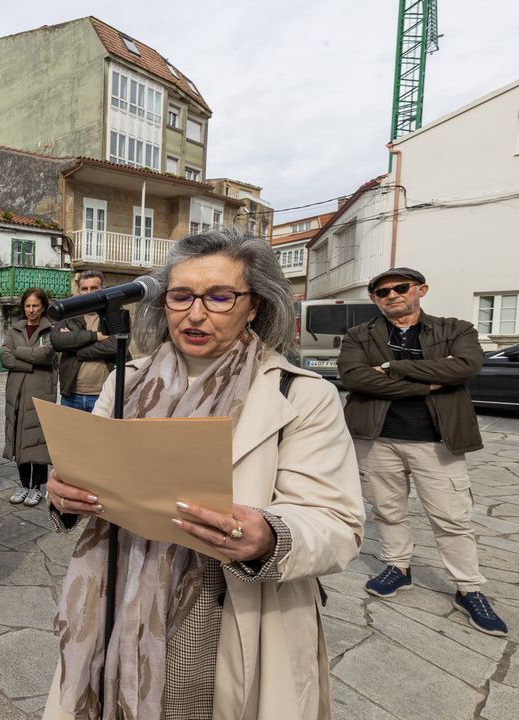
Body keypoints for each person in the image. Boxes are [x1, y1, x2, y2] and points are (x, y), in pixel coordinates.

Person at [43, 227, 364, 720]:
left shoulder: (299, 395)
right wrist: (65, 493)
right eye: (181, 296)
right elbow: (90, 474)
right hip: (118, 589)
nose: (195, 314)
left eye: (219, 297)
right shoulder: (126, 380)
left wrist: (268, 535)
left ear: (254, 304)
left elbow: (337, 523)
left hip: (224, 605)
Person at [339, 267, 508, 636]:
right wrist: (427, 383)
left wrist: (391, 368)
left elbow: (465, 366)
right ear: (374, 299)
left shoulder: (455, 329)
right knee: (387, 510)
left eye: (401, 288)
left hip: (437, 440)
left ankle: (469, 588)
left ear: (421, 290)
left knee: (451, 517)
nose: (392, 295)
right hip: (377, 437)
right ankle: (398, 568)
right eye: (382, 292)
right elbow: (353, 377)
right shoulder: (358, 335)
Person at [0, 287, 56, 507]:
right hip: (17, 391)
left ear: (43, 307)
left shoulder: (51, 329)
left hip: (41, 390)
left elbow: (45, 355)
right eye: (28, 306)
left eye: (35, 305)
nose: (31, 310)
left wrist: (19, 353)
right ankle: (23, 485)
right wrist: (30, 361)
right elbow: (4, 357)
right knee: (18, 437)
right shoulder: (15, 329)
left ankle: (36, 487)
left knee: (37, 439)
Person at [50, 270, 118, 411]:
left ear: (102, 289)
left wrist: (75, 346)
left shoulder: (114, 314)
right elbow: (57, 340)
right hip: (72, 396)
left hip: (105, 395)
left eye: (93, 288)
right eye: (84, 289)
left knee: (102, 434)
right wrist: (96, 336)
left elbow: (115, 345)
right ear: (79, 291)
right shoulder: (68, 315)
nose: (89, 292)